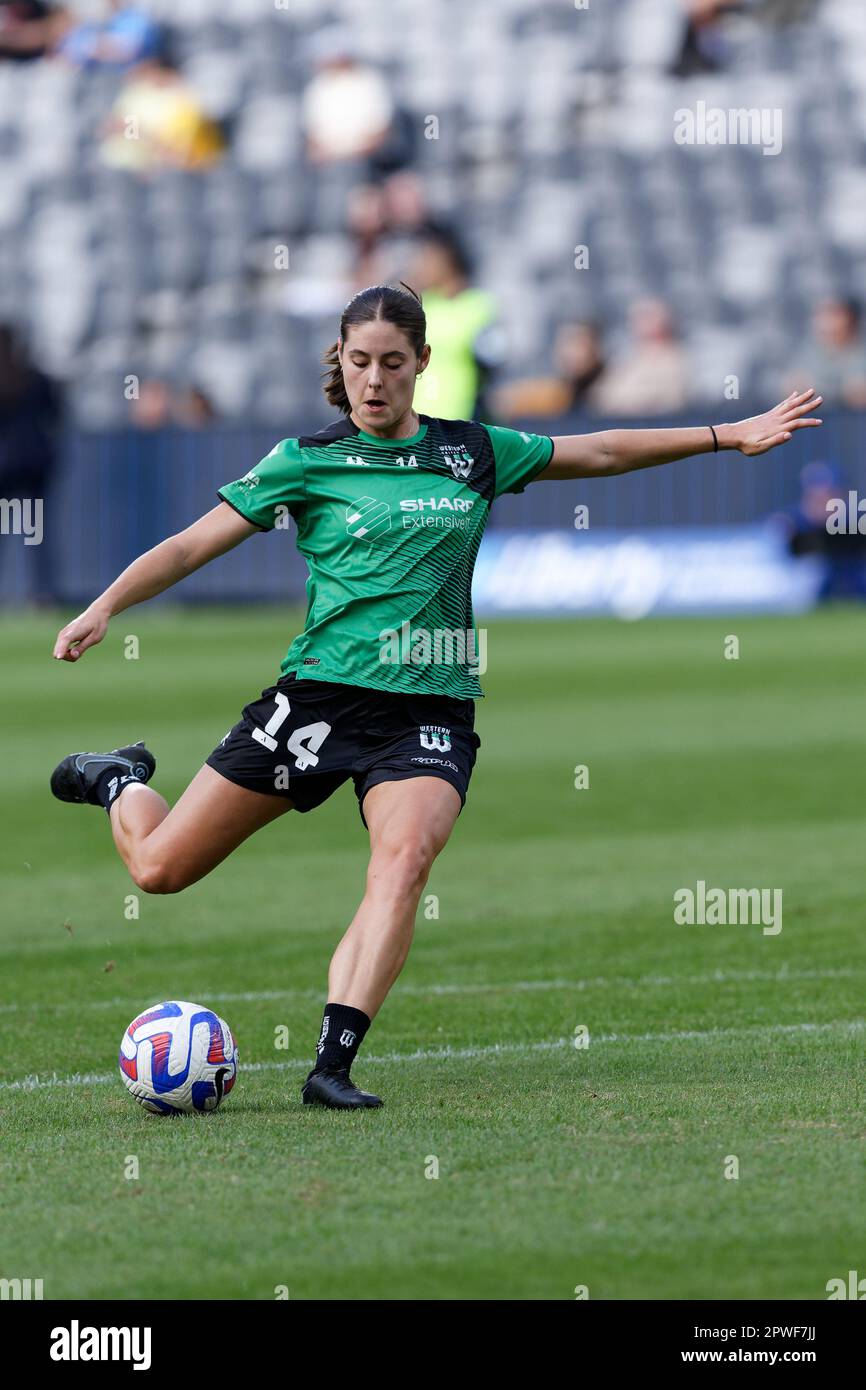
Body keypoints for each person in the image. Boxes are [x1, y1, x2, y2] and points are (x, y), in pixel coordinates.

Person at [49, 284, 823, 1109]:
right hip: (317, 702)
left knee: (403, 862)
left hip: (428, 713)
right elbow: (191, 545)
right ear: (338, 366)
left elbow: (598, 451)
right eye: (357, 363)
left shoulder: (472, 451)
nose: (373, 380)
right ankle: (118, 780)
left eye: (391, 362)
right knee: (161, 870)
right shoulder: (305, 459)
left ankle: (331, 1065)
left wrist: (724, 434)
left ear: (422, 362)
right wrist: (106, 606)